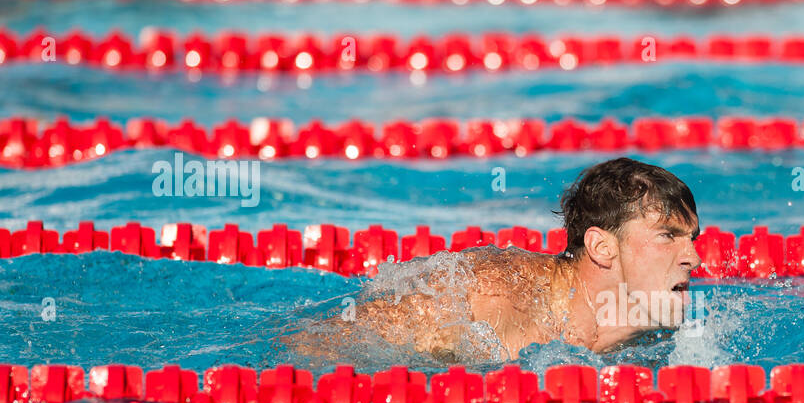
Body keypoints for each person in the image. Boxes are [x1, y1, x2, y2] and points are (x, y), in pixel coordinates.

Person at [288, 157, 702, 363]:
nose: (694, 257)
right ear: (601, 247)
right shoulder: (489, 295)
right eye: (669, 236)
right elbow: (315, 346)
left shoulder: (651, 336)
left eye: (692, 238)